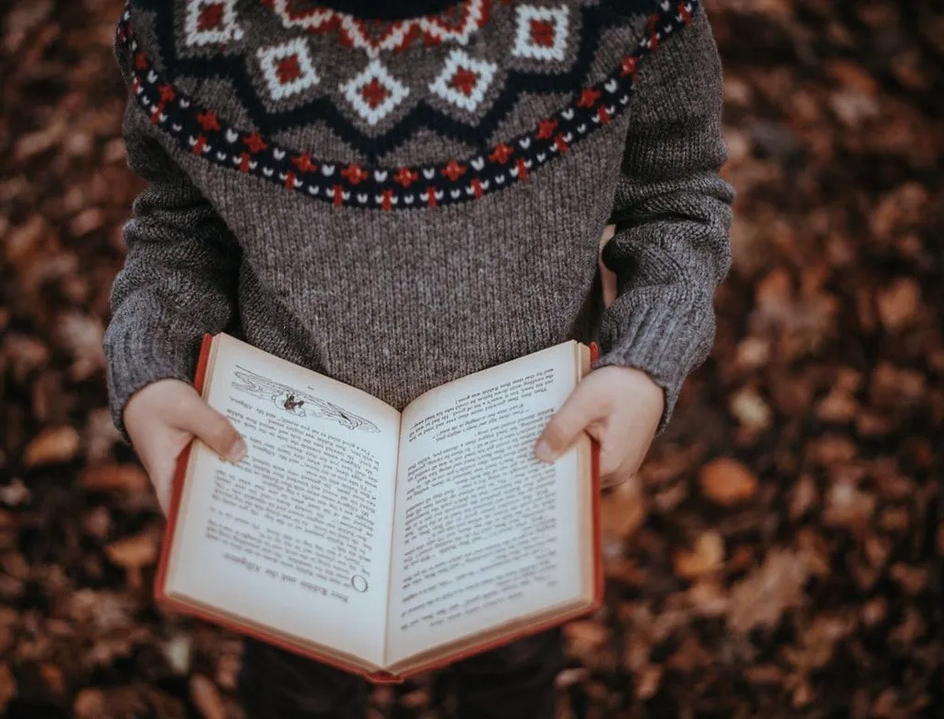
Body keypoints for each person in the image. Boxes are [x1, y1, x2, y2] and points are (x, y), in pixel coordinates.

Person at [102, 0, 733, 716]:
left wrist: (645, 361)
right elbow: (183, 222)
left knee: (512, 668)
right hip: (294, 473)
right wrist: (150, 362)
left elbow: (676, 197)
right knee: (297, 685)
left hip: (522, 463)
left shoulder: (622, 15)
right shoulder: (190, 25)